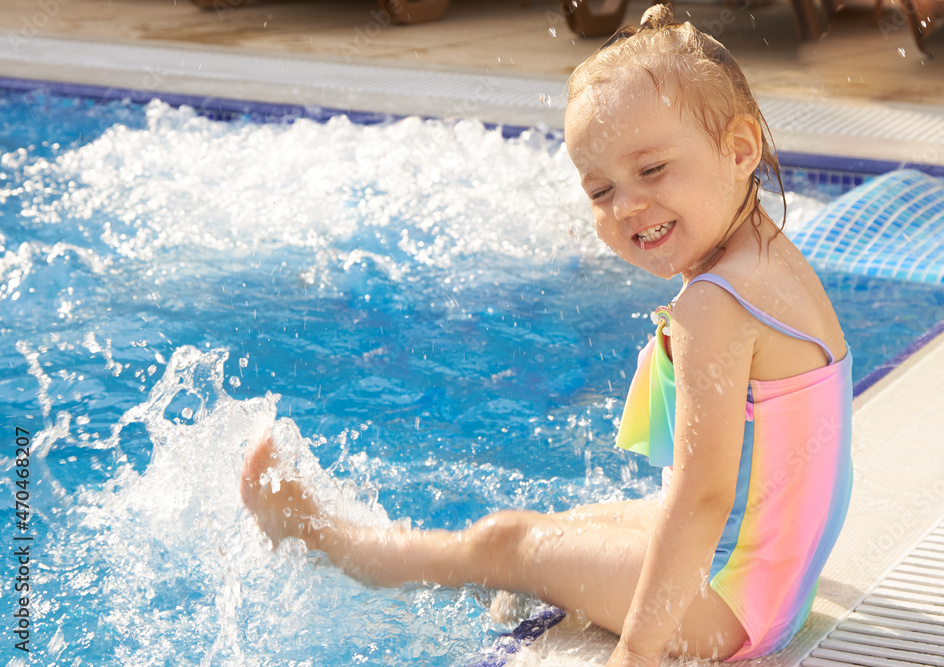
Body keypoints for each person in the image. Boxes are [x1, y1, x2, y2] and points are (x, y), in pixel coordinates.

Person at [239, 5, 854, 664]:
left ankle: (338, 543)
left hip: (728, 611)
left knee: (508, 541)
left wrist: (638, 653)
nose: (627, 205)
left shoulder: (715, 305)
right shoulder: (772, 261)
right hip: (774, 582)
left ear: (739, 149)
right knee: (569, 527)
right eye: (600, 189)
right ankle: (502, 578)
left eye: (651, 170)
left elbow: (702, 498)